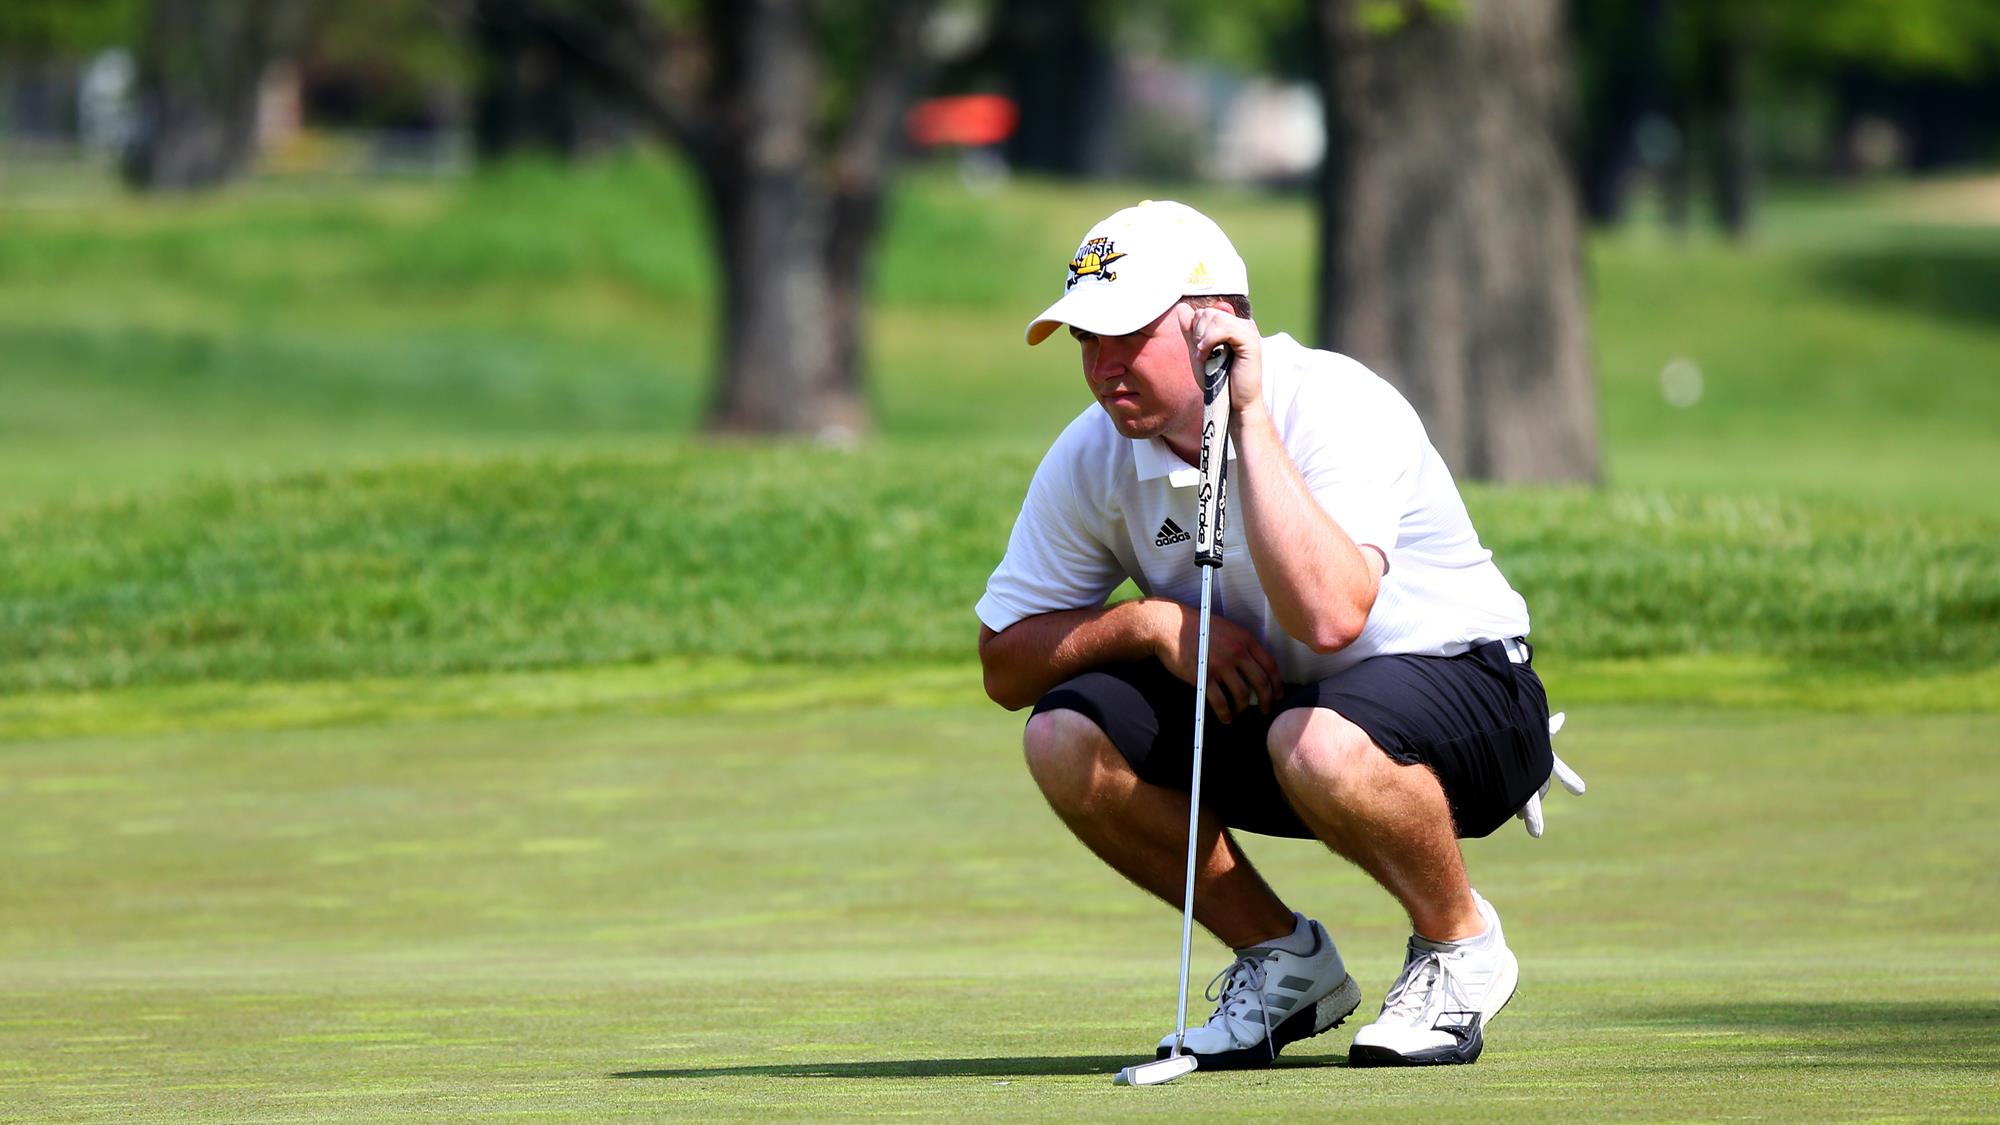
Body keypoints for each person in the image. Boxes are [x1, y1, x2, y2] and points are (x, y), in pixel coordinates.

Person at [975, 199, 1581, 1069]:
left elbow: (1333, 616)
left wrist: (1249, 422)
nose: (1103, 366)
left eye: (1126, 336)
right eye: (1085, 340)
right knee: (1065, 732)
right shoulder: (1093, 454)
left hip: (1476, 703)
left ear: (1216, 327)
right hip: (1289, 718)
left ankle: (1461, 946)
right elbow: (1004, 663)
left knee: (1318, 741)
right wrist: (1149, 622)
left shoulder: (1334, 404)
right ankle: (1284, 962)